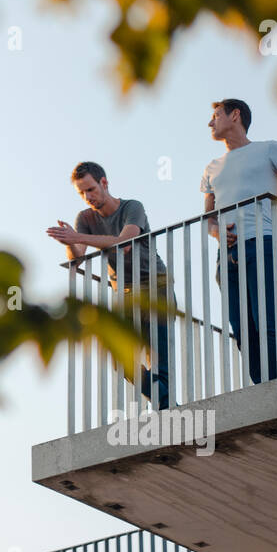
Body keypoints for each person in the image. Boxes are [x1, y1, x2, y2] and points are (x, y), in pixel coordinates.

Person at [201, 99, 277, 385]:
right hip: (226, 255)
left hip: (262, 243)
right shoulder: (211, 168)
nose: (210, 122)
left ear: (235, 115)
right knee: (241, 328)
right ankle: (261, 387)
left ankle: (276, 386)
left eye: (216, 115)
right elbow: (208, 218)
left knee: (265, 321)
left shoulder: (268, 149)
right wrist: (218, 233)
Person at [47, 162, 174, 410]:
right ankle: (170, 407)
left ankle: (167, 410)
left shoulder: (132, 207)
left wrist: (79, 237)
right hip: (124, 292)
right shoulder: (85, 218)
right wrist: (71, 241)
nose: (88, 197)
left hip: (155, 286)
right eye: (82, 193)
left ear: (104, 183)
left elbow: (124, 242)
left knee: (159, 361)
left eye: (91, 190)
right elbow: (77, 257)